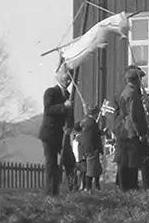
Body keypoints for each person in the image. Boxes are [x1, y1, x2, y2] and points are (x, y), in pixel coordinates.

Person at [38, 66, 73, 196]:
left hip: (62, 134)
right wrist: (63, 106)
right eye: (66, 77)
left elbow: (70, 114)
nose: (68, 81)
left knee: (70, 162)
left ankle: (72, 190)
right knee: (51, 164)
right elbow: (48, 109)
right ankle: (51, 193)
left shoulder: (69, 95)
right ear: (58, 76)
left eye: (70, 79)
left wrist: (70, 126)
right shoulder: (51, 92)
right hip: (49, 134)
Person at [115, 67, 149, 191]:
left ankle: (124, 186)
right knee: (132, 160)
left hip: (124, 129)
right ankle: (131, 186)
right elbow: (135, 115)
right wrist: (141, 132)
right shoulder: (133, 94)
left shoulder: (125, 91)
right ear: (137, 80)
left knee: (124, 160)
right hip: (131, 131)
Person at [76, 105, 104, 191]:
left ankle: (92, 186)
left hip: (86, 149)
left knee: (93, 168)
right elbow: (96, 135)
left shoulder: (85, 122)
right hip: (92, 149)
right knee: (92, 169)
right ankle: (89, 187)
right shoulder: (92, 123)